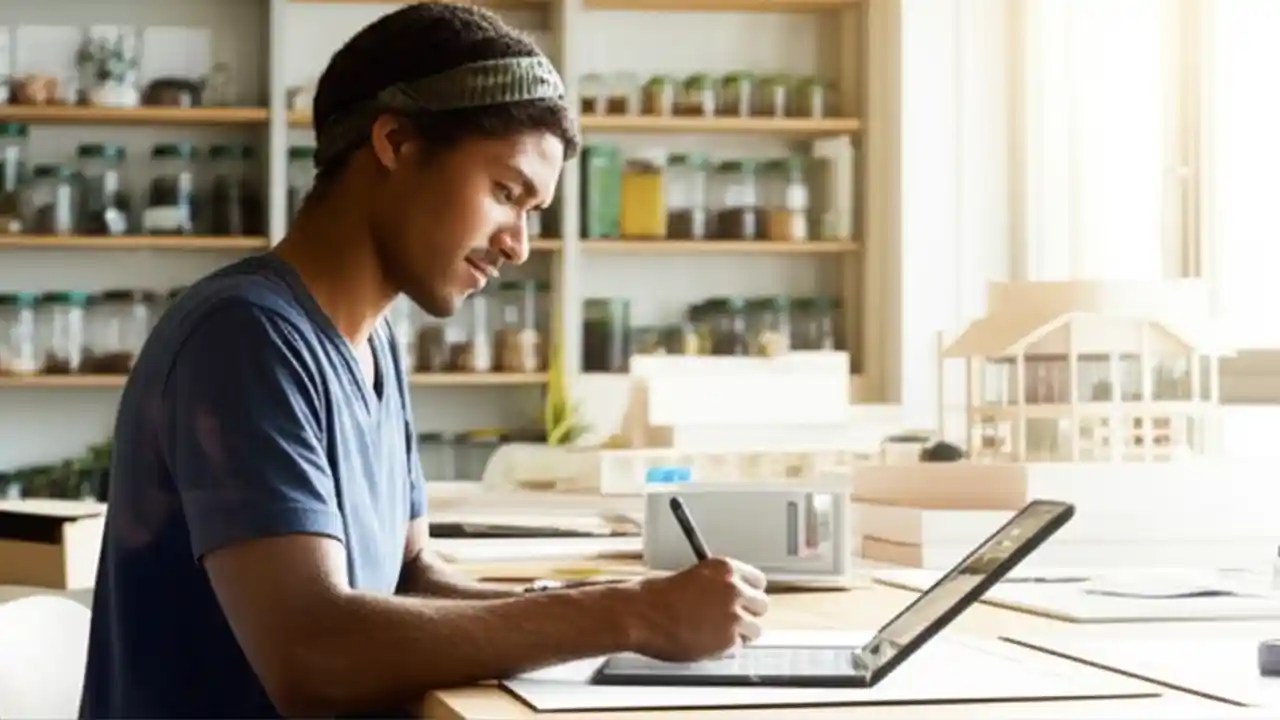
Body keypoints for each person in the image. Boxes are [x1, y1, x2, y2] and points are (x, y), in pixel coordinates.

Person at [79, 4, 769, 718]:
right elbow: (313, 655)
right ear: (397, 142)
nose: (519, 245)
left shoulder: (373, 341)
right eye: (506, 193)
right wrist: (634, 615)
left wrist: (615, 614)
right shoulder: (245, 338)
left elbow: (409, 580)